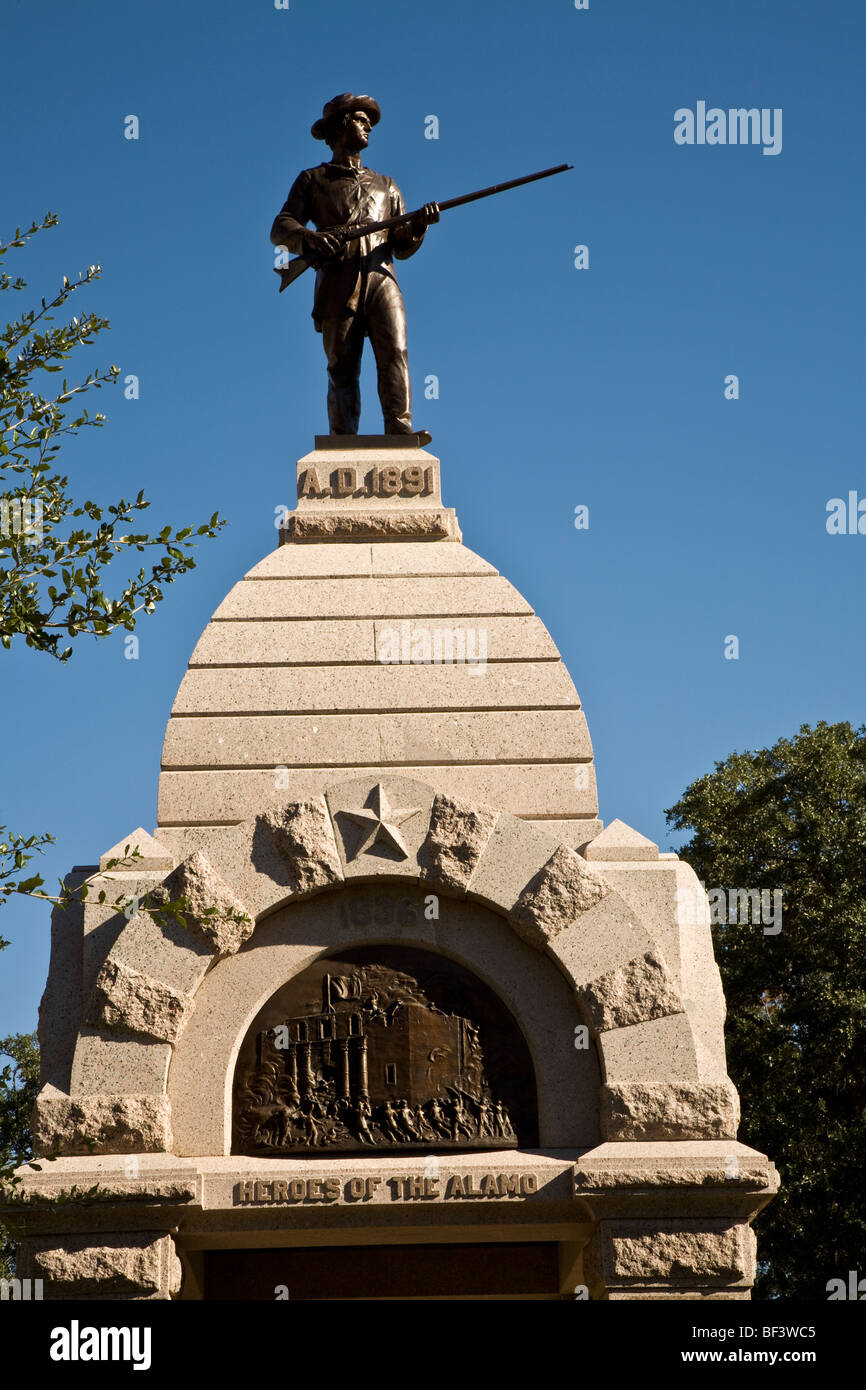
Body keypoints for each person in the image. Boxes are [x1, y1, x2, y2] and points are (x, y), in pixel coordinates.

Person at [270, 92, 438, 435]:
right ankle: (343, 438)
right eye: (361, 120)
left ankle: (399, 427)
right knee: (342, 366)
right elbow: (280, 227)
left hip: (380, 277)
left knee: (395, 350)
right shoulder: (313, 180)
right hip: (338, 281)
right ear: (341, 125)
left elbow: (402, 245)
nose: (368, 128)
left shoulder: (387, 185)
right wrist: (311, 238)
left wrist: (419, 225)